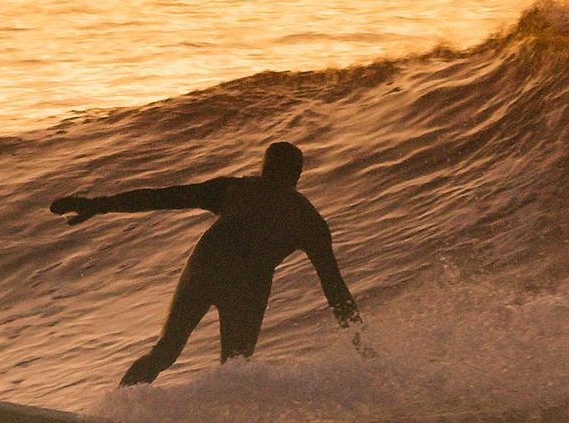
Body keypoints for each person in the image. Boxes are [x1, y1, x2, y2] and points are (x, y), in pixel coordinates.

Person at [51, 140, 361, 385]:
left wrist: (99, 205)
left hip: (205, 270)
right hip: (247, 288)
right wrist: (360, 343)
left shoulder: (235, 188)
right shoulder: (309, 221)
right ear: (298, 177)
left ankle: (114, 419)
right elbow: (335, 290)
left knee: (166, 352)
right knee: (235, 370)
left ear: (263, 169)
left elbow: (164, 197)